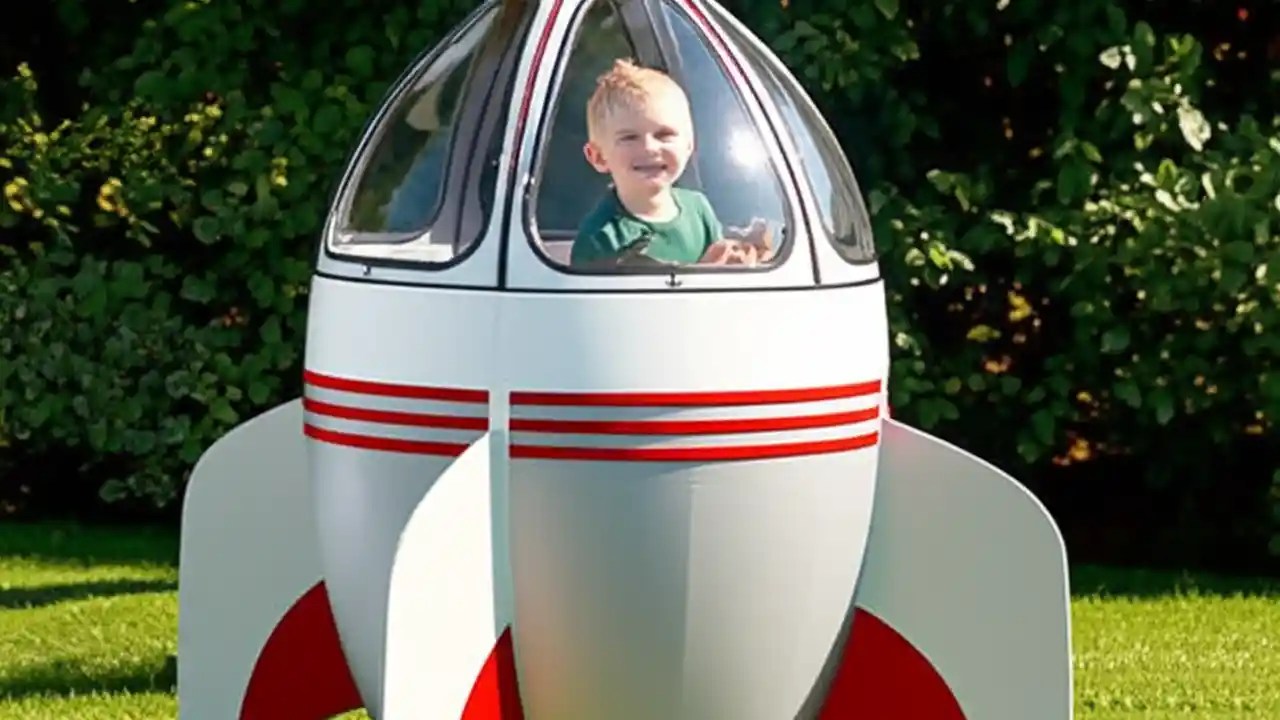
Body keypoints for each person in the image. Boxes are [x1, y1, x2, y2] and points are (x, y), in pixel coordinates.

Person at [569, 59, 772, 269]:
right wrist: (703, 274)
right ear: (599, 157)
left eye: (664, 135)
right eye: (629, 137)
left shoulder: (698, 209)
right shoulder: (600, 238)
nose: (649, 147)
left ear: (689, 146)